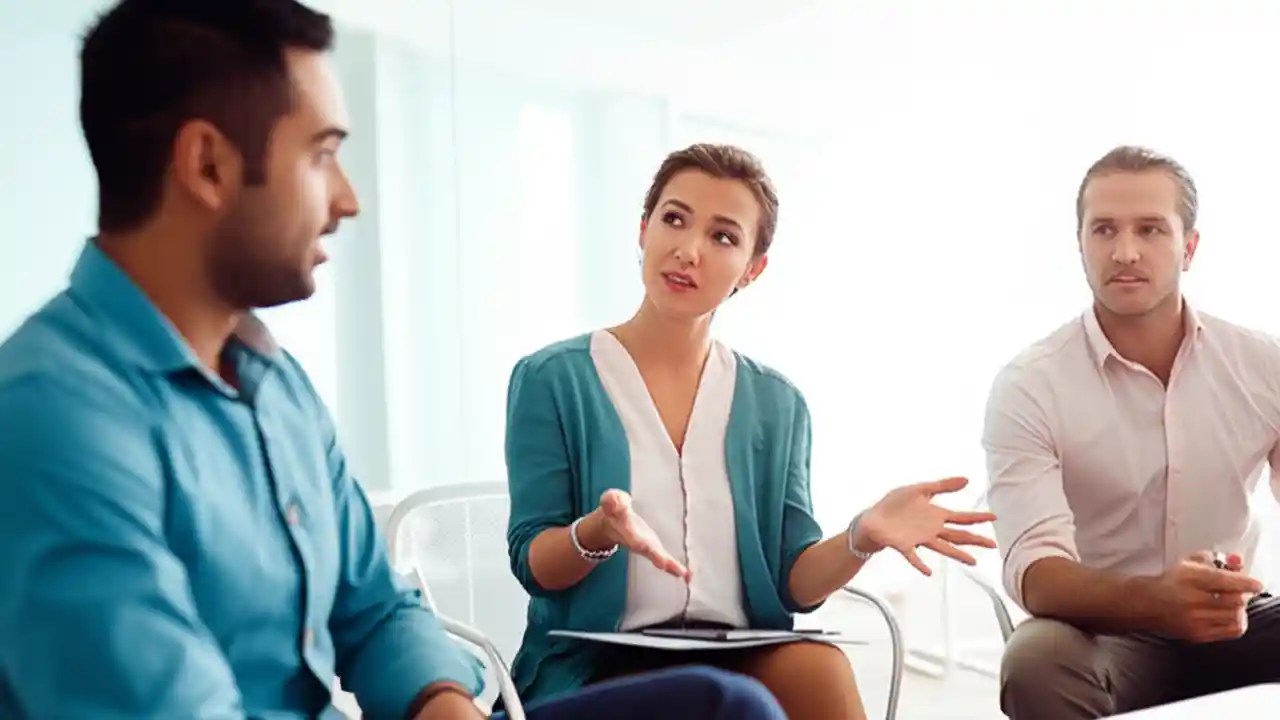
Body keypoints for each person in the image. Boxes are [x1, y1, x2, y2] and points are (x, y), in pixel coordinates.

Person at [0, 2, 791, 719]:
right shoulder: (51, 417)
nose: (348, 198)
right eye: (322, 155)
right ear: (207, 165)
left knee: (726, 707)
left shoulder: (274, 387)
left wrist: (444, 703)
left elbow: (376, 608)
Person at [503, 142, 998, 720]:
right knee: (733, 703)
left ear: (753, 269)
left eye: (723, 237)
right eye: (674, 219)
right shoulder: (553, 379)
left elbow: (795, 586)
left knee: (820, 668)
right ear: (643, 231)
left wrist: (863, 534)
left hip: (739, 652)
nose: (688, 250)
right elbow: (533, 564)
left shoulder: (777, 403)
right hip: (597, 666)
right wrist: (597, 530)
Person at [983, 145, 1280, 720]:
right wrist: (1157, 603)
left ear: (1188, 247)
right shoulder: (1029, 385)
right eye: (1104, 230)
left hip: (1236, 623)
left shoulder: (1262, 364)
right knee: (1034, 660)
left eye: (1150, 230)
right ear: (1080, 244)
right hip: (1100, 637)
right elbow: (1037, 578)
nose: (1125, 252)